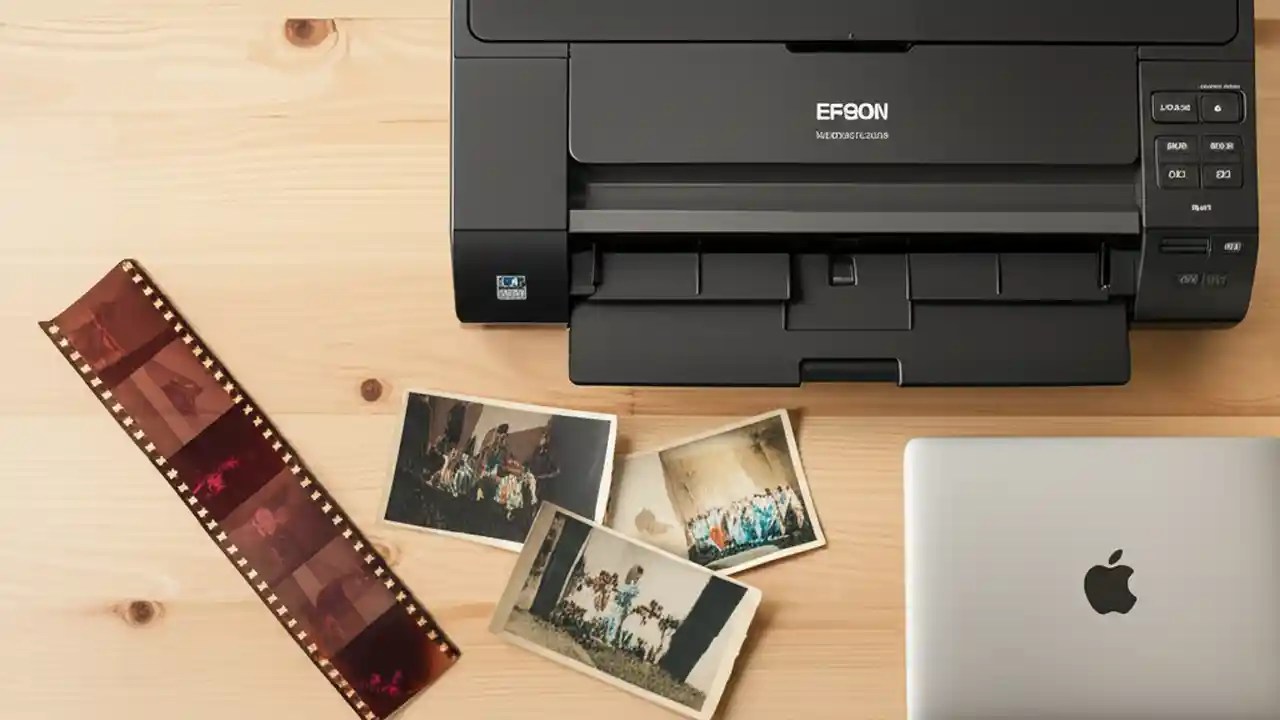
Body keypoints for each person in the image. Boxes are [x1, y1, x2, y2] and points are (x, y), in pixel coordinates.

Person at [608, 565, 644, 646]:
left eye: (638, 577)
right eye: (637, 576)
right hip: (621, 604)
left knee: (619, 622)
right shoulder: (630, 583)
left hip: (626, 605)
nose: (637, 578)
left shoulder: (637, 585)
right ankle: (610, 638)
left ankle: (613, 639)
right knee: (614, 620)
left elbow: (635, 594)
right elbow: (624, 590)